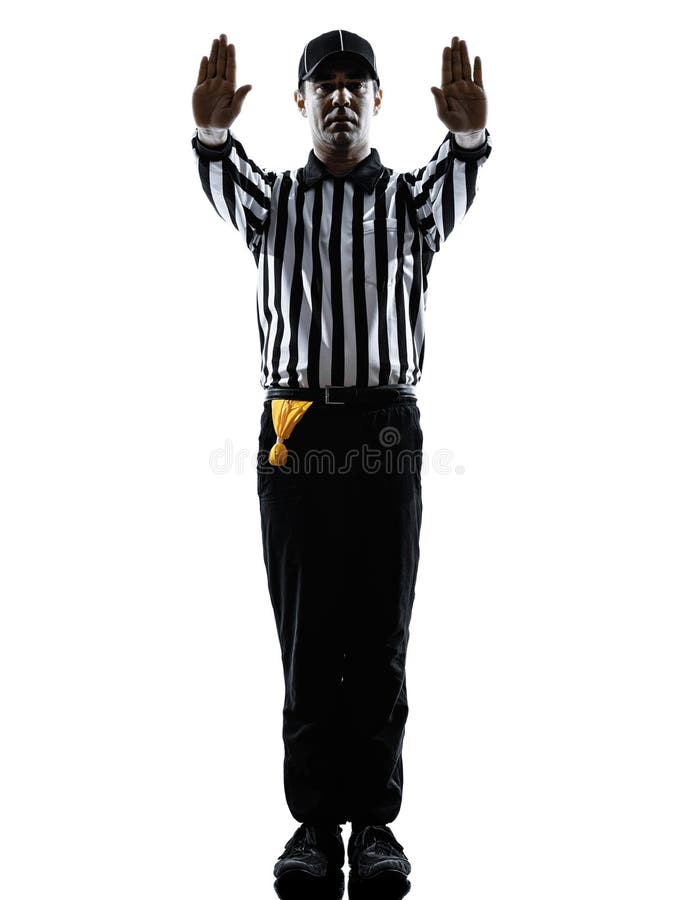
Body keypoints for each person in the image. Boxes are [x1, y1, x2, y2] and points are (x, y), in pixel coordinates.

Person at [191, 28, 491, 892]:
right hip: (293, 428)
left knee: (380, 629)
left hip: (385, 429)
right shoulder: (273, 201)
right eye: (323, 84)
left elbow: (458, 174)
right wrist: (212, 134)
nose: (340, 96)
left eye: (357, 83)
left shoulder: (408, 201)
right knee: (309, 634)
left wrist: (468, 136)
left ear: (377, 101)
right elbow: (224, 176)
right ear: (300, 104)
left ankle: (377, 829)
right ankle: (314, 828)